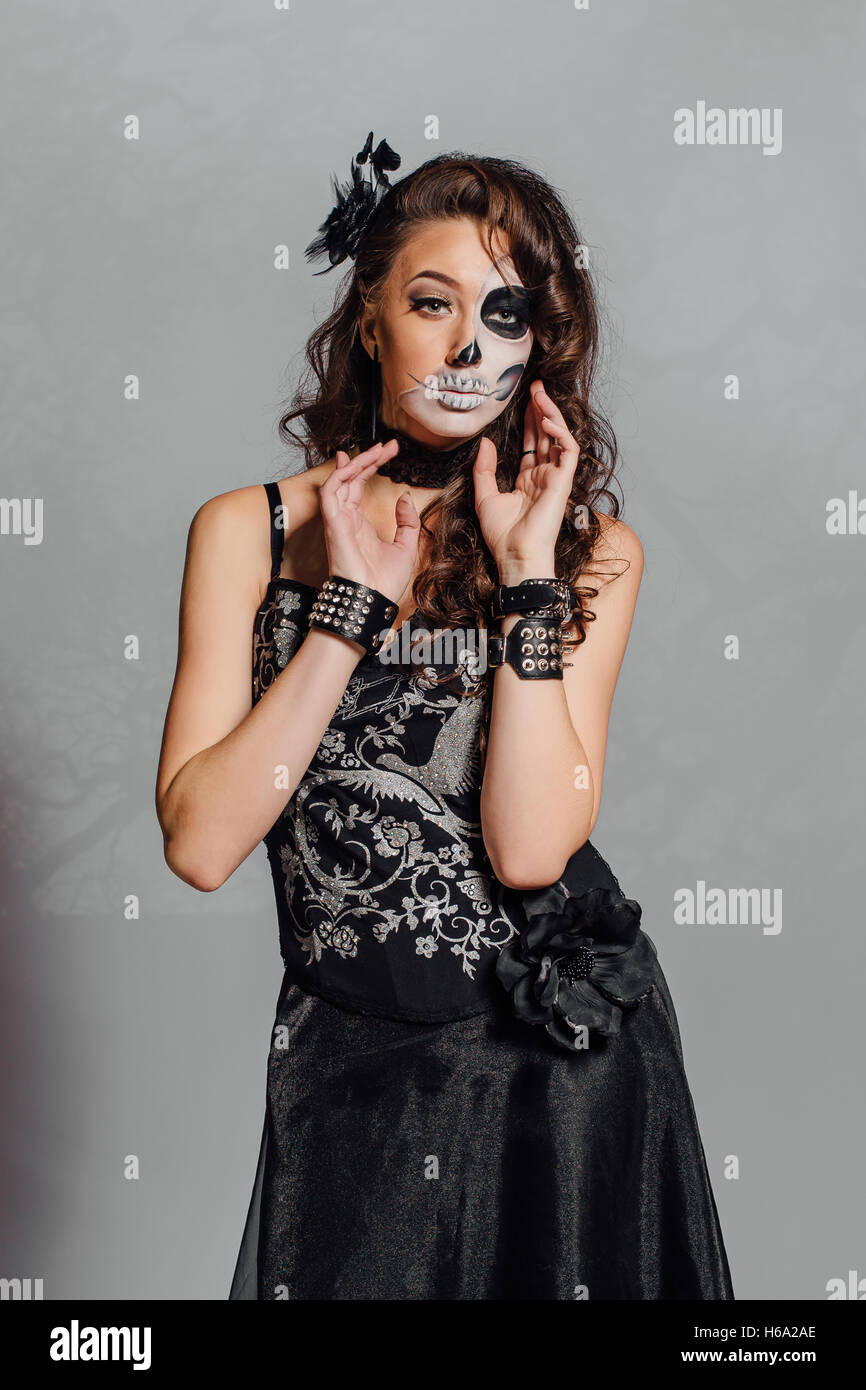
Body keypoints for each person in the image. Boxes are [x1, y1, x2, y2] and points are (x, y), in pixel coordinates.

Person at [155, 135, 734, 1301]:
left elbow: (530, 848)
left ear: (537, 346)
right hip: (347, 1058)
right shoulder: (249, 533)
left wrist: (526, 582)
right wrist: (346, 613)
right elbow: (202, 842)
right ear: (370, 316)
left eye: (505, 313)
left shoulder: (590, 555)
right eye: (433, 302)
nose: (469, 346)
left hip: (546, 1068)